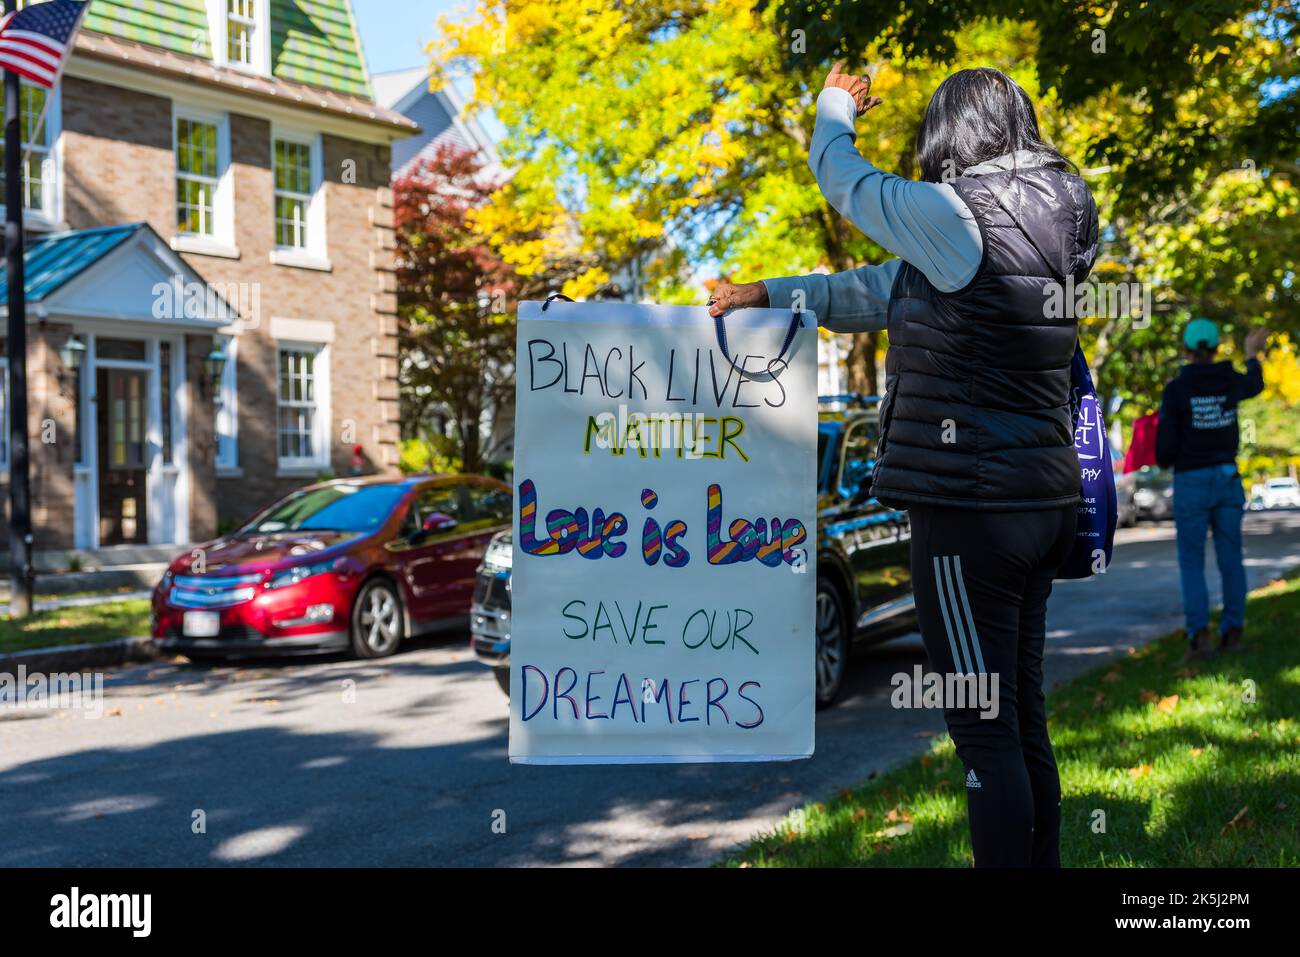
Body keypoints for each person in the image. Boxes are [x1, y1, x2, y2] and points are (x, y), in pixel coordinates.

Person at [709, 64, 1098, 867]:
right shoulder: (1051, 217)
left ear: (950, 134)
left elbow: (842, 179)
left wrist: (833, 111)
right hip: (1039, 504)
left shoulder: (961, 214)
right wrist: (766, 294)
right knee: (1019, 714)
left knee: (983, 735)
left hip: (969, 514)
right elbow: (879, 289)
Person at [1156, 318, 1269, 660]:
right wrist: (1251, 354)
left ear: (1187, 350)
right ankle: (1233, 634)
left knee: (1191, 563)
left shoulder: (1176, 390)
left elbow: (1164, 453)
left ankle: (1199, 640)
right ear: (1216, 347)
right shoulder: (1229, 381)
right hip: (1226, 478)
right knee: (1231, 559)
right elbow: (1254, 383)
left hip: (1191, 482)